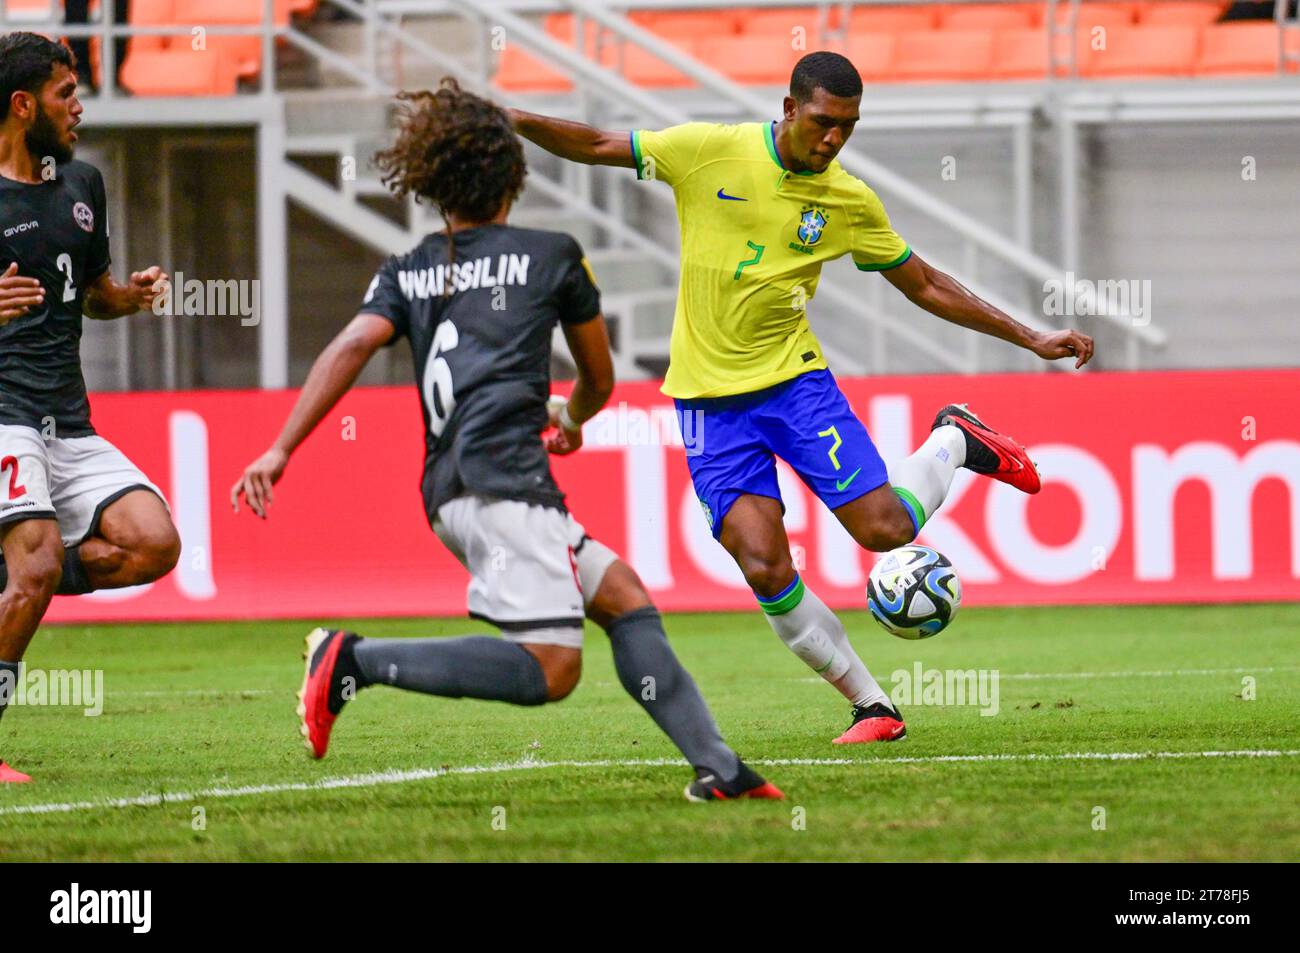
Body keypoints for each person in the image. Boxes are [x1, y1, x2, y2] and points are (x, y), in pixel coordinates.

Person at [508, 50, 1095, 745]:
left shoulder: (846, 199)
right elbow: (598, 143)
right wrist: (506, 119)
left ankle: (956, 439)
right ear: (789, 109)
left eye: (847, 126)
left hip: (794, 386)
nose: (833, 139)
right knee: (762, 562)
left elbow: (926, 283)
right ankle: (874, 705)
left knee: (884, 531)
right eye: (822, 122)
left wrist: (1029, 336)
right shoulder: (707, 152)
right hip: (706, 403)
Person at [231, 78, 782, 803]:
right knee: (551, 669)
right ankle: (353, 660)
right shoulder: (552, 255)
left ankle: (721, 767)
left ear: (432, 179)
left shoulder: (410, 267)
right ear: (511, 174)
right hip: (503, 484)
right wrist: (574, 416)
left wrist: (280, 447)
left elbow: (350, 346)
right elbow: (598, 375)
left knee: (622, 597)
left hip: (454, 484)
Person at [0, 33, 180, 784]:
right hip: (3, 411)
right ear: (21, 105)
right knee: (36, 560)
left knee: (154, 543)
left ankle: (16, 576)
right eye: (66, 94)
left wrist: (127, 297)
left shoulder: (84, 185)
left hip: (68, 420)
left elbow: (91, 292)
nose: (80, 107)